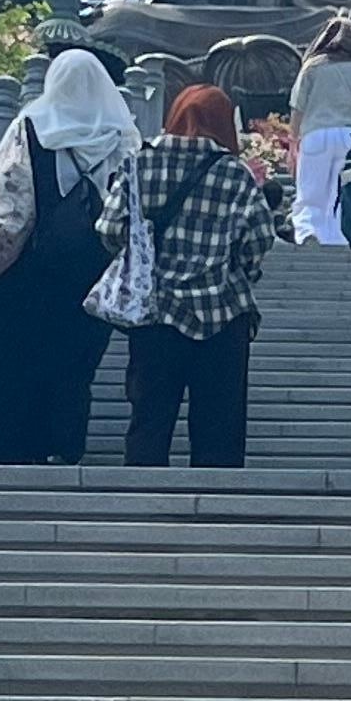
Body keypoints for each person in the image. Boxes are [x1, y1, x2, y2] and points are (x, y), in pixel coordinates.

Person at [0, 47, 136, 463]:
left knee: (1, 354)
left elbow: (1, 196)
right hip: (92, 275)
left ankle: (10, 449)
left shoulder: (32, 128)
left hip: (29, 268)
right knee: (73, 368)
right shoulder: (122, 137)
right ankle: (63, 448)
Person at [125, 83, 284, 465]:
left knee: (149, 419)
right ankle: (217, 510)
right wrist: (235, 267)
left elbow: (111, 228)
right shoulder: (235, 174)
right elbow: (260, 238)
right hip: (222, 315)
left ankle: (140, 506)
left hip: (155, 311)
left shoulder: (140, 163)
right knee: (219, 427)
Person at [289, 16, 351, 249]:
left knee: (311, 192)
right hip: (350, 138)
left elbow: (298, 109)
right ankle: (337, 238)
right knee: (342, 193)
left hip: (315, 135)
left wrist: (293, 143)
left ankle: (307, 231)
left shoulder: (312, 67)